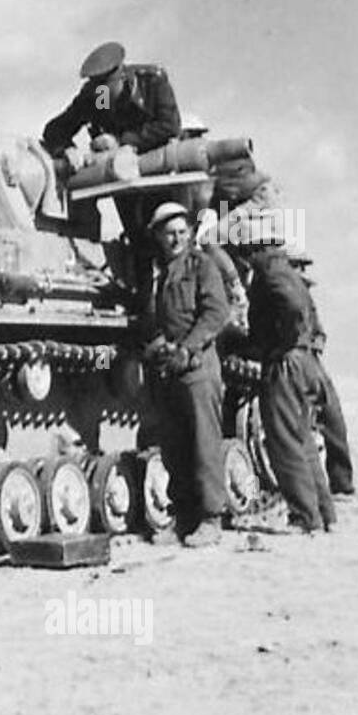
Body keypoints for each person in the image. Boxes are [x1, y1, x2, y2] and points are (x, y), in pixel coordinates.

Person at [136, 201, 229, 547]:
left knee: (205, 442)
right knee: (175, 446)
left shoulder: (201, 265)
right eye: (168, 233)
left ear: (189, 234)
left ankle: (211, 518)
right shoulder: (158, 273)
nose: (175, 239)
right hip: (167, 368)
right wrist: (156, 341)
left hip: (196, 366)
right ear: (159, 237)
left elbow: (216, 312)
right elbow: (150, 317)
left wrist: (187, 348)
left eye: (180, 232)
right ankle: (184, 518)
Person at [234, 240, 337, 533]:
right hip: (301, 361)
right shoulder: (284, 269)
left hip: (286, 364)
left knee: (284, 444)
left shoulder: (270, 272)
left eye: (245, 251)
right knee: (302, 441)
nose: (243, 258)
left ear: (254, 249)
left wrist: (283, 343)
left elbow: (291, 307)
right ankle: (324, 515)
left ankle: (304, 517)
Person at [42, 41, 182, 158]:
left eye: (105, 87)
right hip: (113, 171)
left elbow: (169, 126)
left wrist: (120, 141)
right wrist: (67, 149)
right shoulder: (96, 96)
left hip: (158, 162)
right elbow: (55, 130)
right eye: (97, 87)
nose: (101, 93)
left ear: (120, 76)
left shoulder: (151, 81)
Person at [291, 255, 355, 496]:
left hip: (310, 360)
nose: (300, 270)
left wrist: (315, 344)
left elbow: (319, 332)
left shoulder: (305, 297)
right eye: (296, 265)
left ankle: (341, 482)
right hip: (294, 360)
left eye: (301, 266)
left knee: (333, 417)